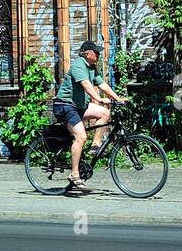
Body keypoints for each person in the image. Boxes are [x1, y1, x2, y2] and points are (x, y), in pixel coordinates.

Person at [52, 40, 127, 195]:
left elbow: (103, 85)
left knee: (105, 113)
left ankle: (95, 146)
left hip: (79, 106)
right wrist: (99, 99)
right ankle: (74, 174)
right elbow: (86, 84)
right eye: (96, 52)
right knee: (81, 137)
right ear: (87, 53)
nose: (98, 54)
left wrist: (118, 99)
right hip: (65, 105)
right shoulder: (79, 65)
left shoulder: (92, 68)